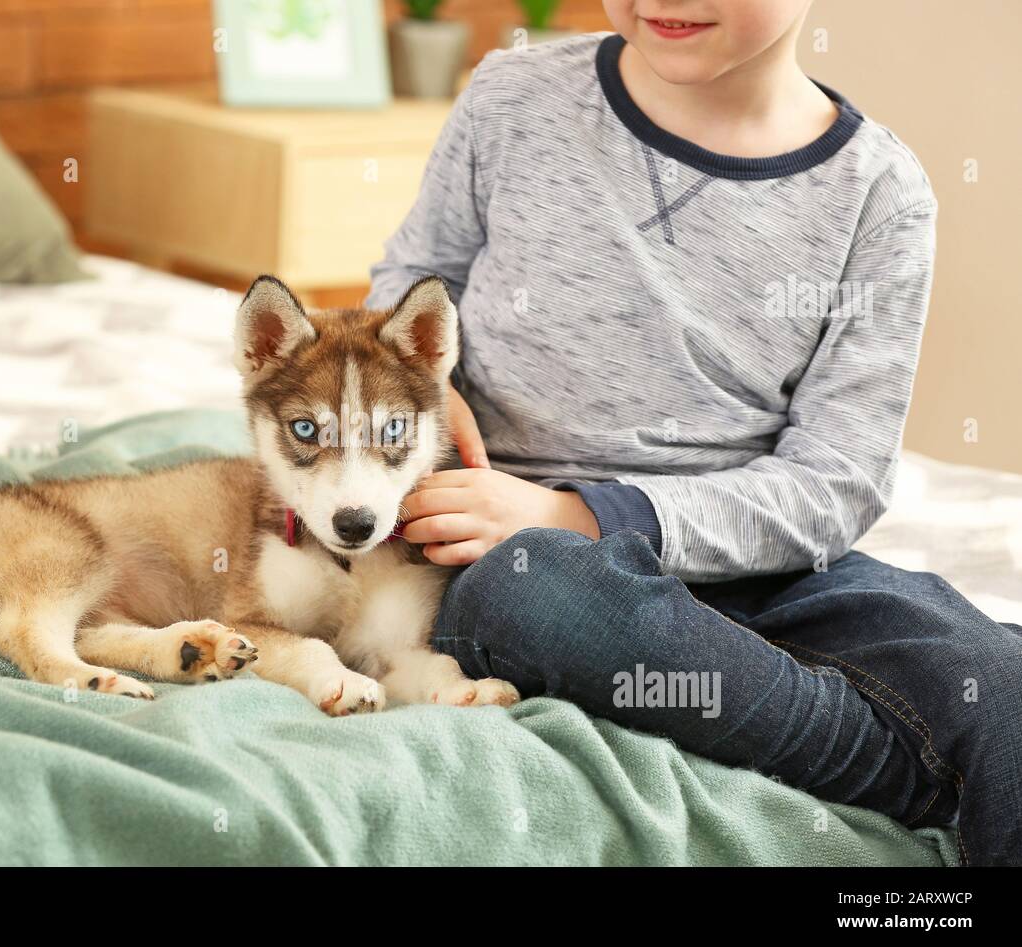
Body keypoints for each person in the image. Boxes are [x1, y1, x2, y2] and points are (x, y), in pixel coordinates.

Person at [368, 0, 1021, 865]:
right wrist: (425, 381)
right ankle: (910, 775)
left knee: (993, 674)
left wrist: (587, 513)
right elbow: (412, 282)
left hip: (759, 561)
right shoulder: (513, 96)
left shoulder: (880, 194)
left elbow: (837, 485)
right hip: (513, 552)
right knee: (534, 600)